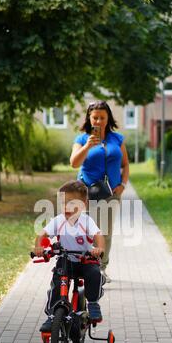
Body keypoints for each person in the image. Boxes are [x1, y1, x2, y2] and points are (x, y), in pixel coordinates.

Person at [34, 180, 106, 333]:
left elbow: (98, 235)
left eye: (72, 203)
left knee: (94, 274)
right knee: (57, 283)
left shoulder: (87, 221)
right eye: (63, 203)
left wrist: (98, 248)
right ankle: (53, 315)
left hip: (85, 259)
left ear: (83, 205)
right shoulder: (58, 221)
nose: (66, 207)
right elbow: (43, 234)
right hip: (66, 261)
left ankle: (93, 303)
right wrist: (39, 247)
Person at [70, 100, 129, 283]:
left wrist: (123, 185)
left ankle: (101, 269)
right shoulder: (81, 139)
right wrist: (88, 146)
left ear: (108, 118)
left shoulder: (117, 139)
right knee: (86, 232)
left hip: (111, 193)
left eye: (102, 117)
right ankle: (85, 268)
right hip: (86, 193)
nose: (98, 121)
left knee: (105, 233)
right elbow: (74, 163)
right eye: (95, 117)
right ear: (89, 118)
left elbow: (125, 164)